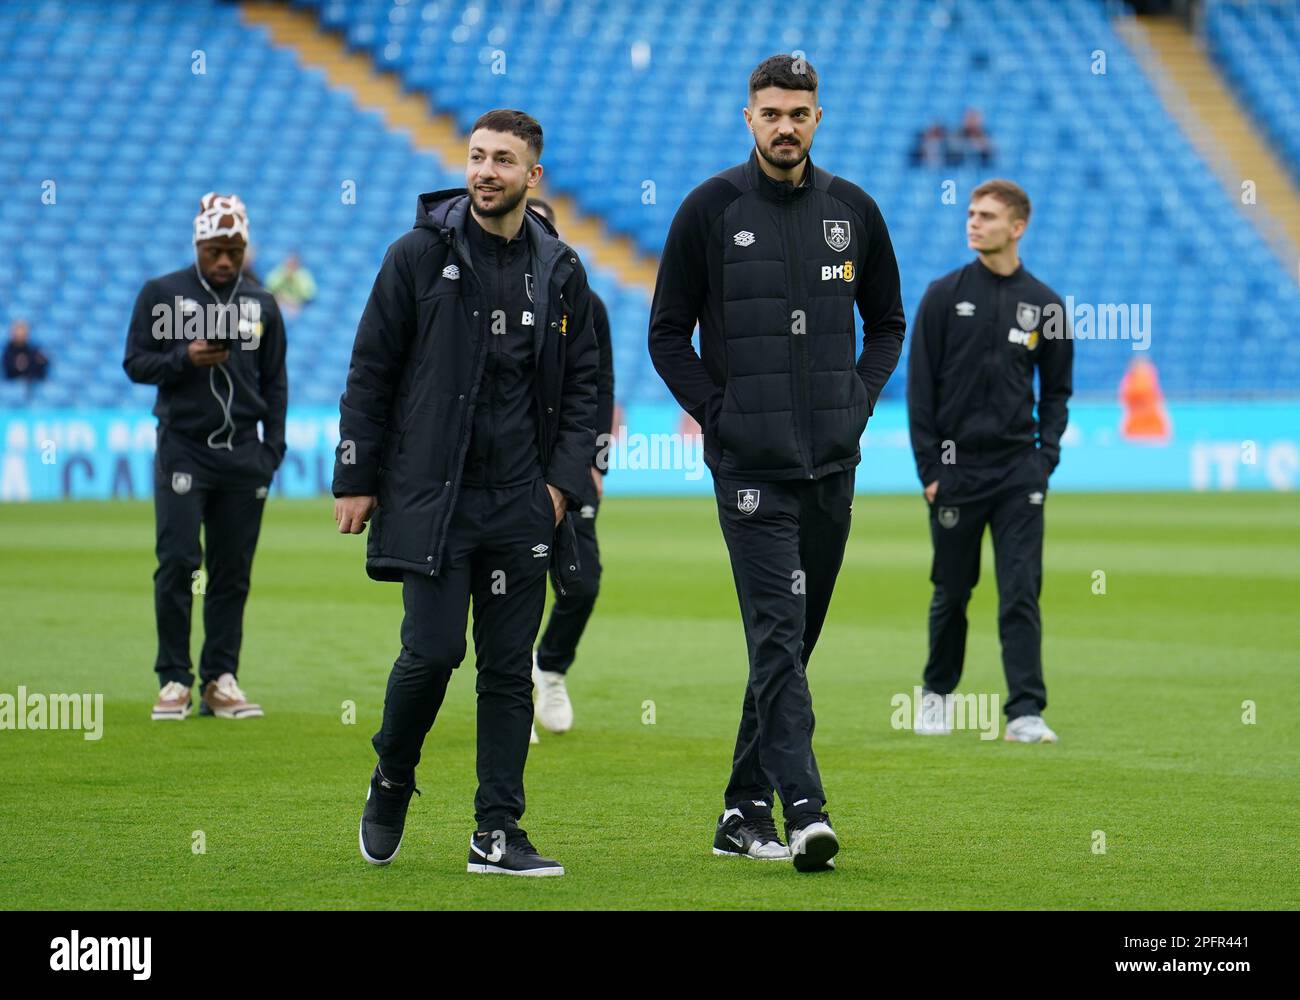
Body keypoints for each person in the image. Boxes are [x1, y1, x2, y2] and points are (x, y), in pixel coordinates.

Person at [648, 55, 905, 871]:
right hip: (751, 473)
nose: (785, 125)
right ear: (747, 118)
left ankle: (737, 809)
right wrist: (721, 417)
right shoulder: (710, 210)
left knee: (792, 645)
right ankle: (805, 812)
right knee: (777, 636)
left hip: (832, 466)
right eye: (771, 113)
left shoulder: (853, 212)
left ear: (818, 119)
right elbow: (667, 334)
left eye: (799, 112)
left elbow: (888, 320)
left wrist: (856, 400)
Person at [333, 109, 598, 876]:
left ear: (532, 176)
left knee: (508, 669)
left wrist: (560, 484)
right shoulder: (416, 255)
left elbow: (582, 387)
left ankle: (497, 831)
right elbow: (370, 371)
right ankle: (392, 775)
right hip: (433, 499)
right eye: (478, 157)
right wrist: (356, 476)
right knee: (434, 650)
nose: (486, 171)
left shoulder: (560, 269)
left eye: (503, 161)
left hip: (521, 503)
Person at [906, 179, 1072, 743]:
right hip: (954, 474)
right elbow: (919, 391)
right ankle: (936, 695)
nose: (973, 222)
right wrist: (930, 470)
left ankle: (1025, 711)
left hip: (1017, 473)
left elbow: (1056, 391)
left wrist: (1043, 459)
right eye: (971, 214)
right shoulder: (942, 294)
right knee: (953, 589)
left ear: (1017, 227)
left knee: (1021, 589)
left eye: (986, 216)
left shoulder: (1046, 305)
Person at [123, 192, 287, 722]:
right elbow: (135, 363)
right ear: (198, 243)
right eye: (215, 250)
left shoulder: (261, 304)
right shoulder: (162, 294)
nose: (223, 262)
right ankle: (174, 679)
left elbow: (275, 381)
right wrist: (184, 356)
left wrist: (272, 449)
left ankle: (220, 678)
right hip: (183, 450)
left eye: (233, 252)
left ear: (244, 249)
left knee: (232, 571)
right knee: (176, 562)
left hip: (243, 454)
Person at [525, 196, 615, 737]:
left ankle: (550, 668)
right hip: (511, 463)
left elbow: (600, 386)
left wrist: (597, 459)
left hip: (573, 462)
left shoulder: (586, 304)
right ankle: (514, 692)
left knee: (581, 584)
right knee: (513, 584)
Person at [3, 319, 50, 398]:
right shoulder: (8, 350)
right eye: (18, 330)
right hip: (13, 385)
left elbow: (44, 362)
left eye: (23, 330)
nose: (20, 333)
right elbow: (9, 368)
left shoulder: (31, 349)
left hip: (31, 383)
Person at [264, 252, 317, 318]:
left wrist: (295, 278)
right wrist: (283, 277)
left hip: (297, 304)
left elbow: (308, 295)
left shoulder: (304, 275)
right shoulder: (278, 272)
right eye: (289, 264)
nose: (290, 267)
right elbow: (269, 288)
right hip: (279, 301)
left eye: (293, 264)